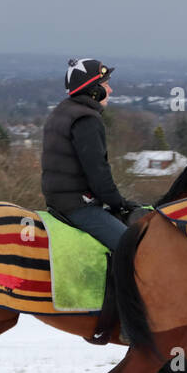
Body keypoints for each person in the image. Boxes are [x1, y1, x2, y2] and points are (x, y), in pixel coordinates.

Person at [40, 57, 138, 252]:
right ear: (94, 90)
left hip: (58, 202)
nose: (110, 90)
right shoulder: (87, 120)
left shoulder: (61, 112)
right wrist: (120, 204)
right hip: (78, 206)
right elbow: (98, 172)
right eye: (106, 84)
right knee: (132, 248)